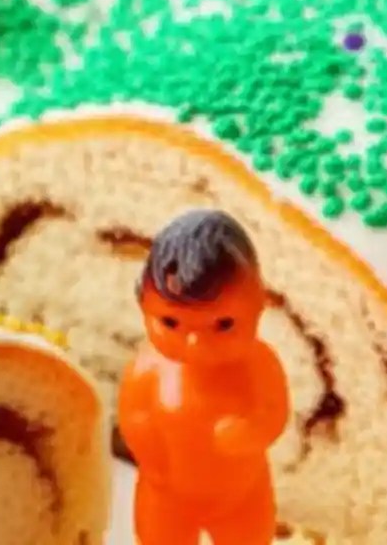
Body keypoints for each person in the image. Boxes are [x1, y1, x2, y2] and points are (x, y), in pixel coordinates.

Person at [119, 209, 291, 545]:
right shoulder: (147, 368)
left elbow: (274, 412)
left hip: (243, 496)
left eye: (224, 324)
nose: (196, 342)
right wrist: (149, 451)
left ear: (260, 302)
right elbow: (134, 414)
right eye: (170, 323)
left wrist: (252, 430)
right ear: (143, 304)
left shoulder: (261, 363)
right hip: (166, 496)